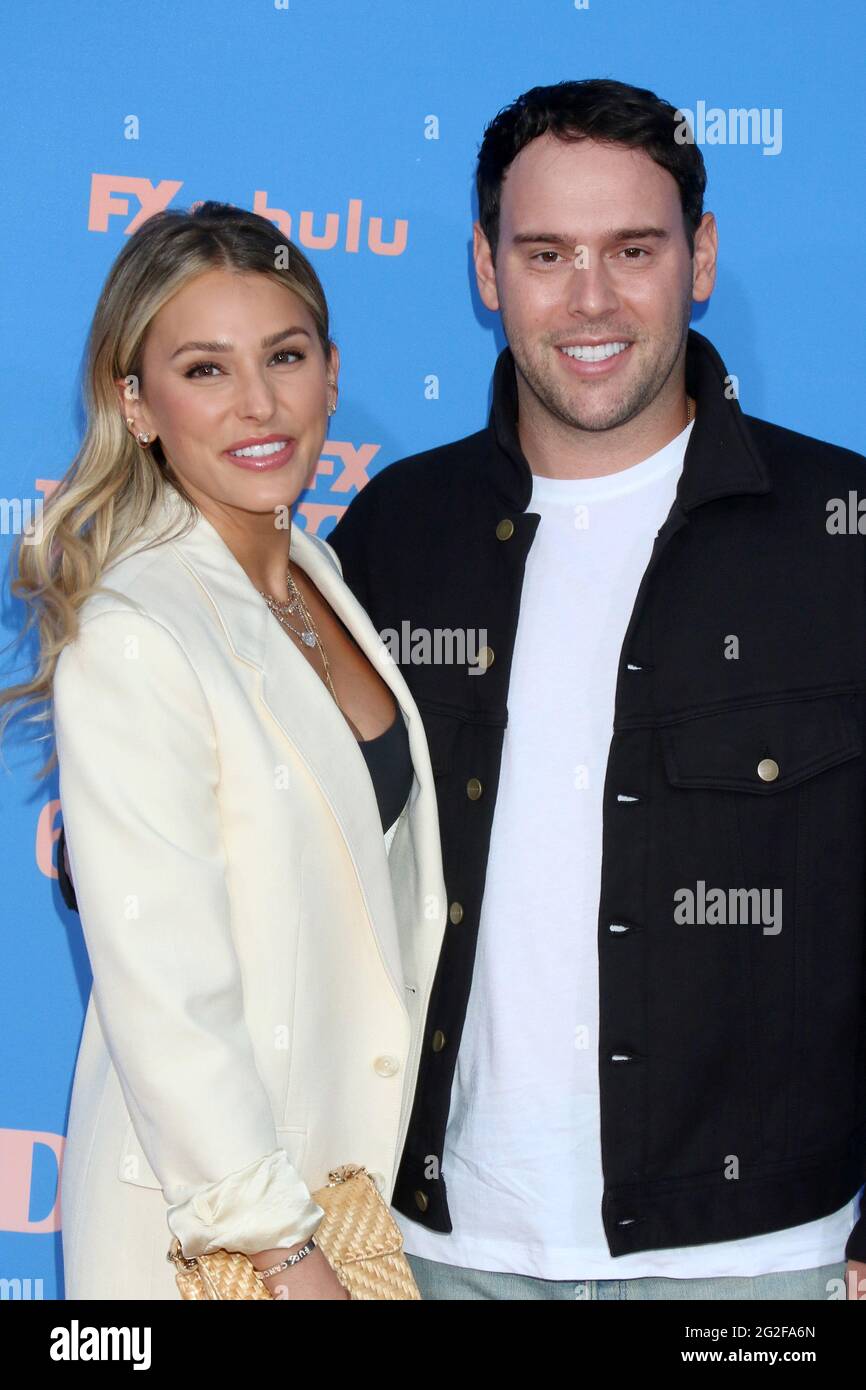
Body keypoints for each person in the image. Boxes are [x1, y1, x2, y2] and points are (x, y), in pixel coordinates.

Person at [327, 79, 866, 1301]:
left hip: (758, 1263)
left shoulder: (842, 533)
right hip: (440, 1250)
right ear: (483, 267)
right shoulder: (393, 531)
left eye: (632, 249)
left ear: (700, 256)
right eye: (543, 253)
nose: (588, 300)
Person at [0, 202, 447, 1299]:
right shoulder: (137, 627)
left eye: (284, 357)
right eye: (205, 369)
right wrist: (284, 1252)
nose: (258, 404)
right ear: (135, 403)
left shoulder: (318, 579)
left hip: (345, 1196)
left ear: (331, 375)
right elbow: (167, 993)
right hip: (219, 1240)